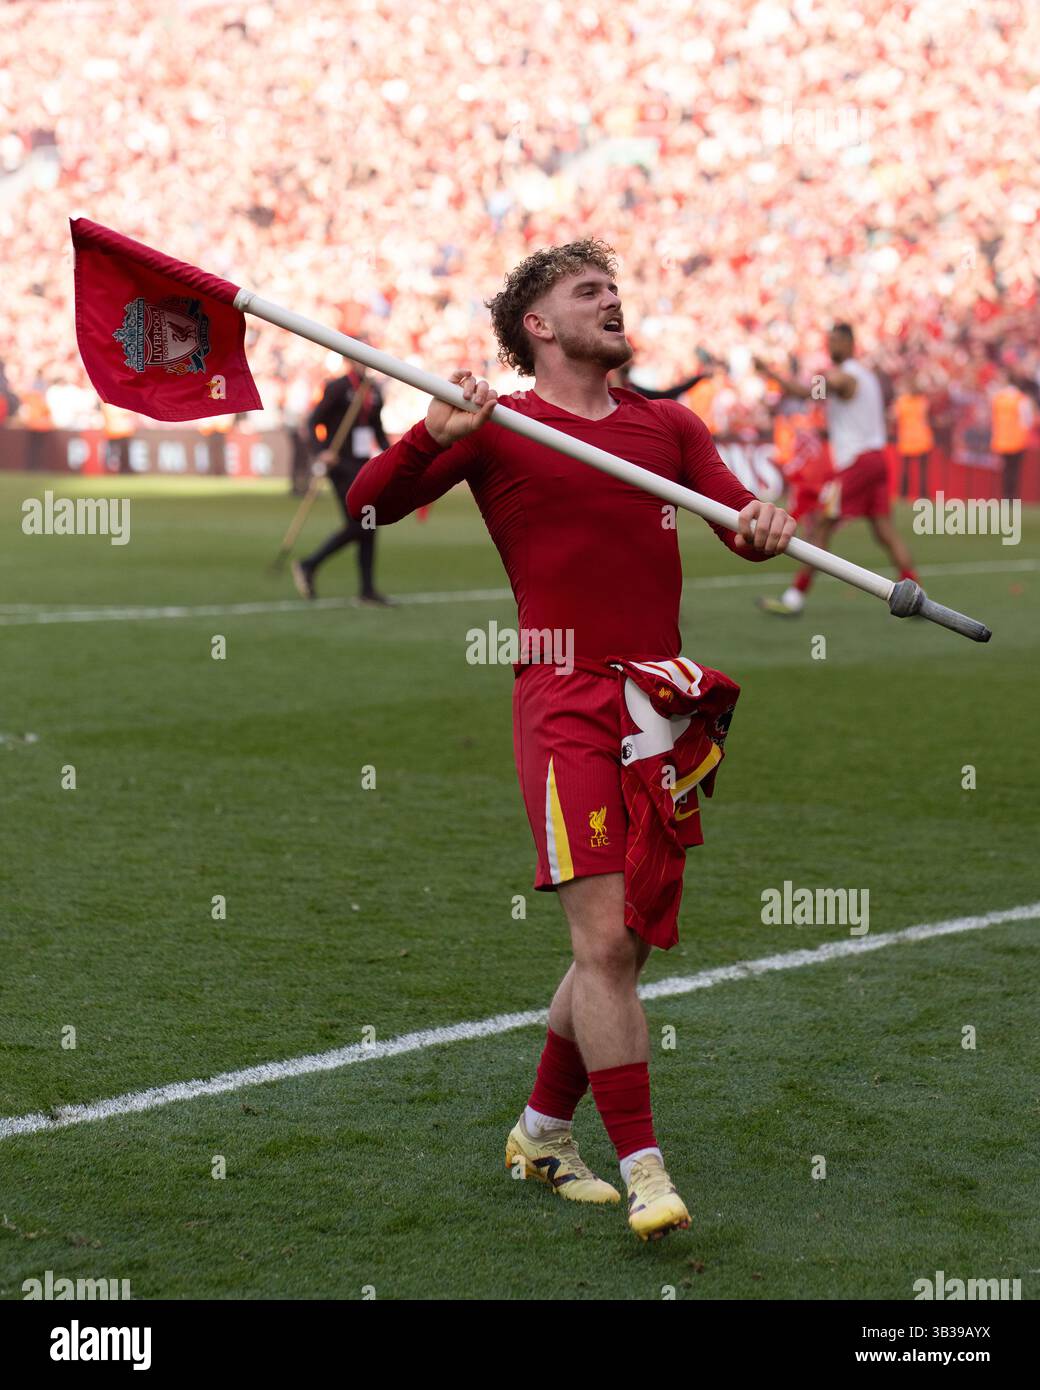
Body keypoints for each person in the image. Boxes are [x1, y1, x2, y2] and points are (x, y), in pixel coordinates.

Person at [347, 239, 795, 1240]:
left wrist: (763, 522)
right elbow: (366, 506)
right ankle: (645, 1170)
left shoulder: (667, 424)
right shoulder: (496, 425)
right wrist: (427, 436)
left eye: (614, 286)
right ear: (538, 327)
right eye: (588, 291)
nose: (613, 299)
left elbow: (735, 518)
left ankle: (540, 1132)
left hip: (656, 705)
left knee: (624, 941)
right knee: (600, 942)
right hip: (562, 697)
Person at [754, 324, 917, 618]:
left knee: (822, 525)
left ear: (851, 343)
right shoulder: (866, 376)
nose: (832, 347)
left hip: (857, 463)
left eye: (837, 341)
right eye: (829, 341)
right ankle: (916, 594)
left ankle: (795, 597)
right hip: (875, 458)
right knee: (884, 530)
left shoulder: (845, 376)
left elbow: (807, 392)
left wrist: (771, 373)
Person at [292, 359, 394, 605]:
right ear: (350, 360)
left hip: (362, 466)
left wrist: (393, 456)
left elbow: (376, 429)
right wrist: (322, 451)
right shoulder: (338, 387)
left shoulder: (374, 390)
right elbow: (314, 420)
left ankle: (366, 590)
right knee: (361, 524)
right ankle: (309, 564)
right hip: (340, 466)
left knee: (369, 524)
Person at [989, 367, 1032, 500]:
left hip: (1001, 440)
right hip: (1017, 440)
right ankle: (1012, 498)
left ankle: (1005, 497)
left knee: (1006, 471)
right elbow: (1027, 420)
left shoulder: (998, 399)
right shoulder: (1021, 399)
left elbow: (993, 420)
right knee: (1015, 471)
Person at [892, 376, 934, 498]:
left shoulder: (901, 401)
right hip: (923, 437)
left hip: (907, 438)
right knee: (923, 471)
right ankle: (923, 495)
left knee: (905, 469)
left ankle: (903, 494)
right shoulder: (923, 401)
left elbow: (894, 416)